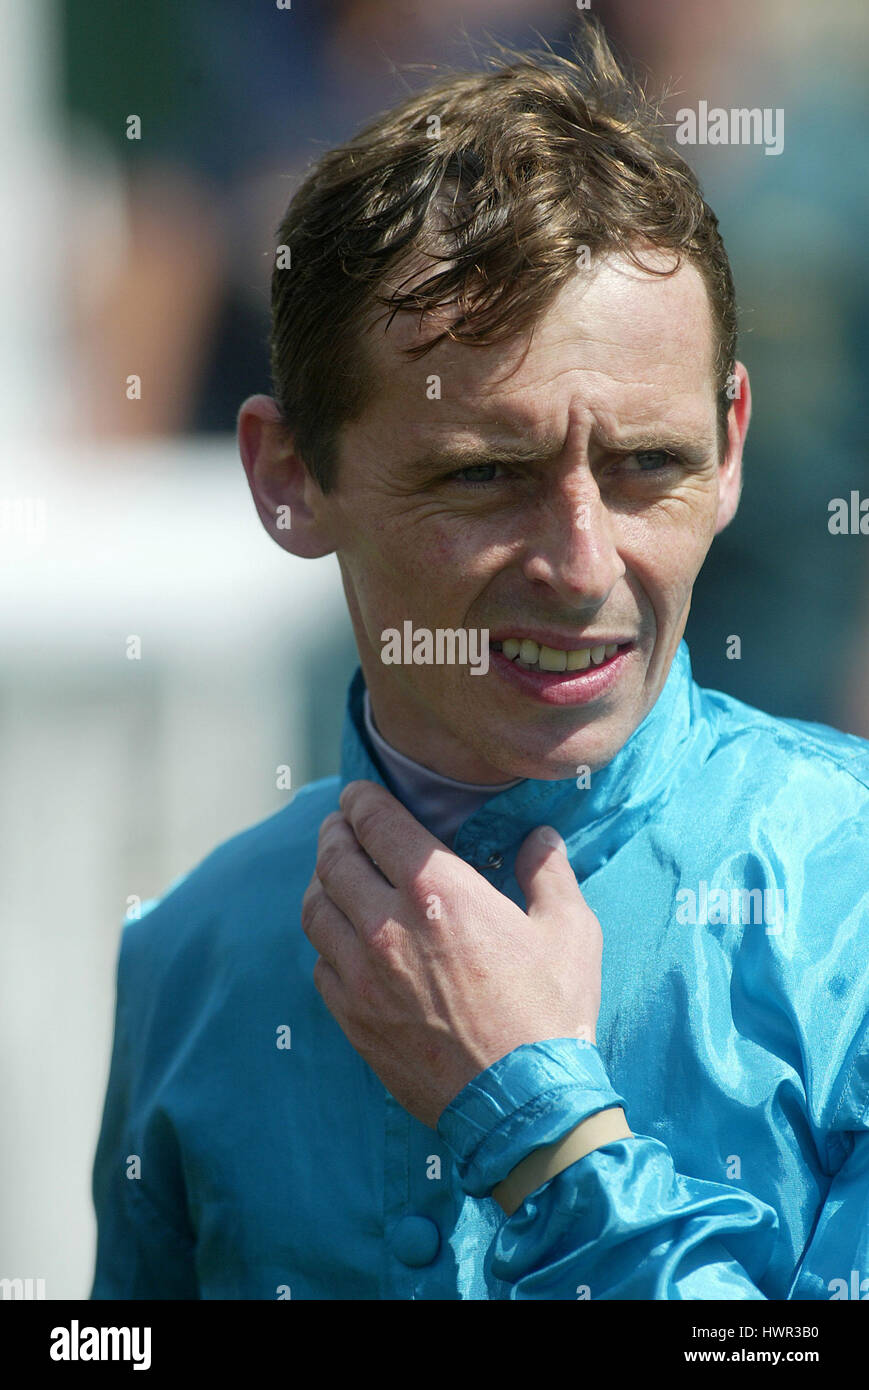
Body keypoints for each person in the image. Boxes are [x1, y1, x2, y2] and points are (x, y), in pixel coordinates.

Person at [90, 22, 869, 1300]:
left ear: (730, 446)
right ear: (289, 476)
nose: (578, 561)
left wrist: (542, 1130)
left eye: (646, 467)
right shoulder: (192, 952)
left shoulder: (840, 906)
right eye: (485, 475)